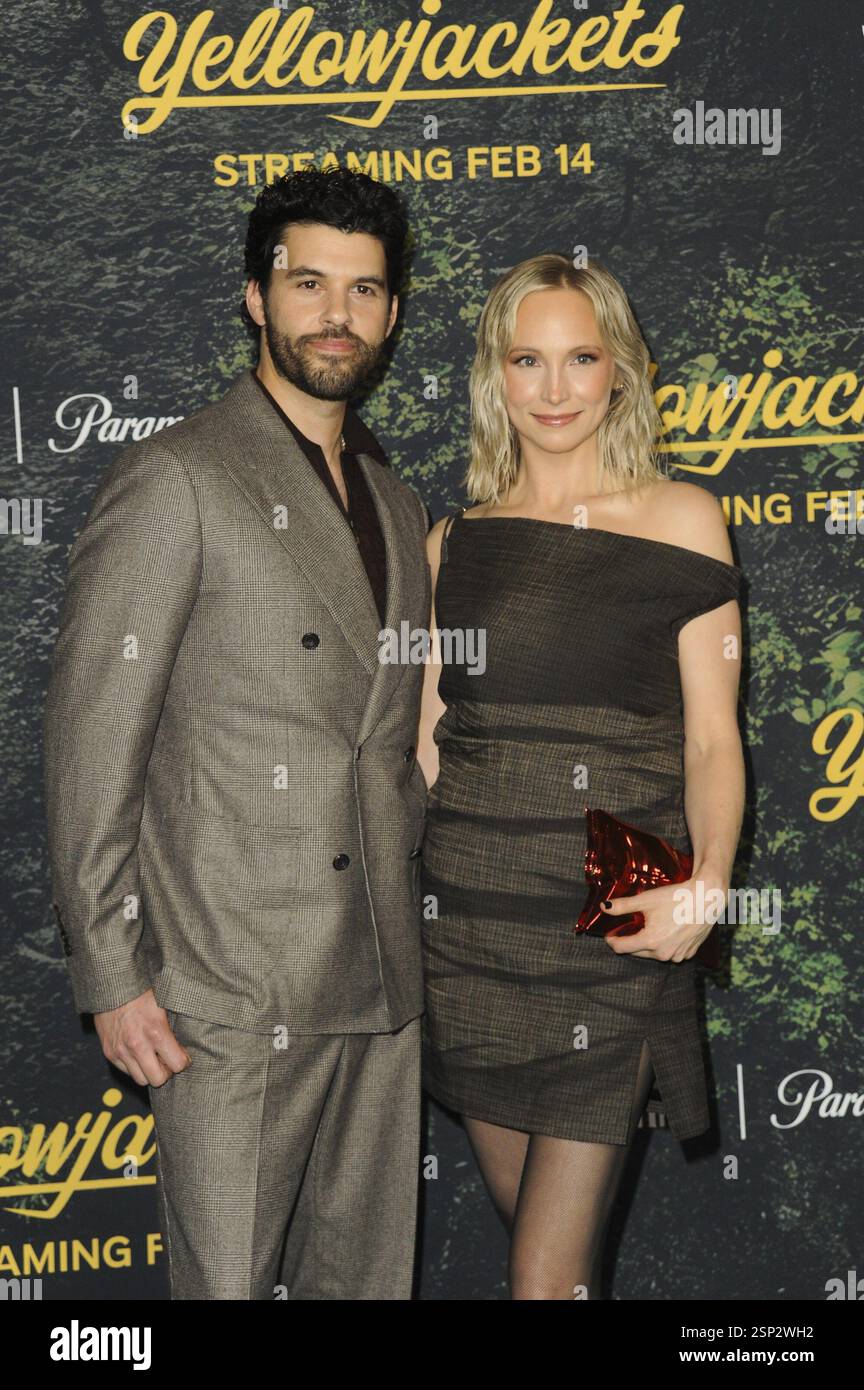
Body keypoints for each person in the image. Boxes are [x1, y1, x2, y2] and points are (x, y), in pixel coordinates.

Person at [42, 168, 432, 1300]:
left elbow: (398, 738)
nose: (336, 314)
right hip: (228, 986)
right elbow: (89, 739)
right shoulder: (177, 477)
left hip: (378, 979)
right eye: (308, 282)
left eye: (364, 290)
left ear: (394, 313)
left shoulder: (397, 503)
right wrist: (112, 970)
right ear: (256, 299)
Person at [415, 254, 744, 1300]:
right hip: (470, 935)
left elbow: (712, 740)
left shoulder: (682, 518)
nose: (554, 390)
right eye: (527, 360)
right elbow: (426, 742)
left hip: (612, 926)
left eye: (579, 359)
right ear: (494, 377)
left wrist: (711, 878)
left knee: (542, 1279)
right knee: (552, 1266)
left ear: (620, 372)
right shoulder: (451, 542)